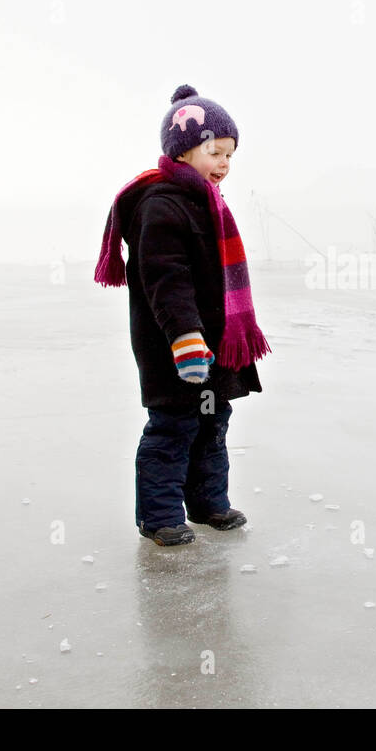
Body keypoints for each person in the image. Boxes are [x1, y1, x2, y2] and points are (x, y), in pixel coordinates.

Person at [94, 83, 270, 545]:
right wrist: (185, 338)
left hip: (213, 342)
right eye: (215, 151)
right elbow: (164, 279)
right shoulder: (161, 205)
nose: (225, 163)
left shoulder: (207, 203)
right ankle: (159, 516)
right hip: (174, 343)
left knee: (212, 421)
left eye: (230, 154)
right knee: (174, 426)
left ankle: (208, 503)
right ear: (184, 149)